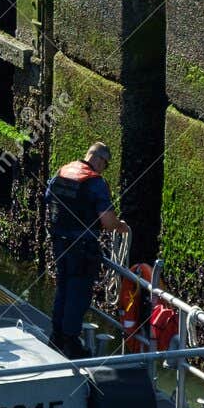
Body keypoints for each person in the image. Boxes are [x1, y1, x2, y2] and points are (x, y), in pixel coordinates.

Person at [45, 142, 128, 358]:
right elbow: (107, 221)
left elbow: (48, 199)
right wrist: (120, 226)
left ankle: (56, 337)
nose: (103, 169)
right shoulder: (95, 182)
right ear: (99, 159)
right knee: (78, 293)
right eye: (105, 164)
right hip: (82, 247)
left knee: (63, 288)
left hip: (59, 242)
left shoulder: (63, 171)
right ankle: (71, 343)